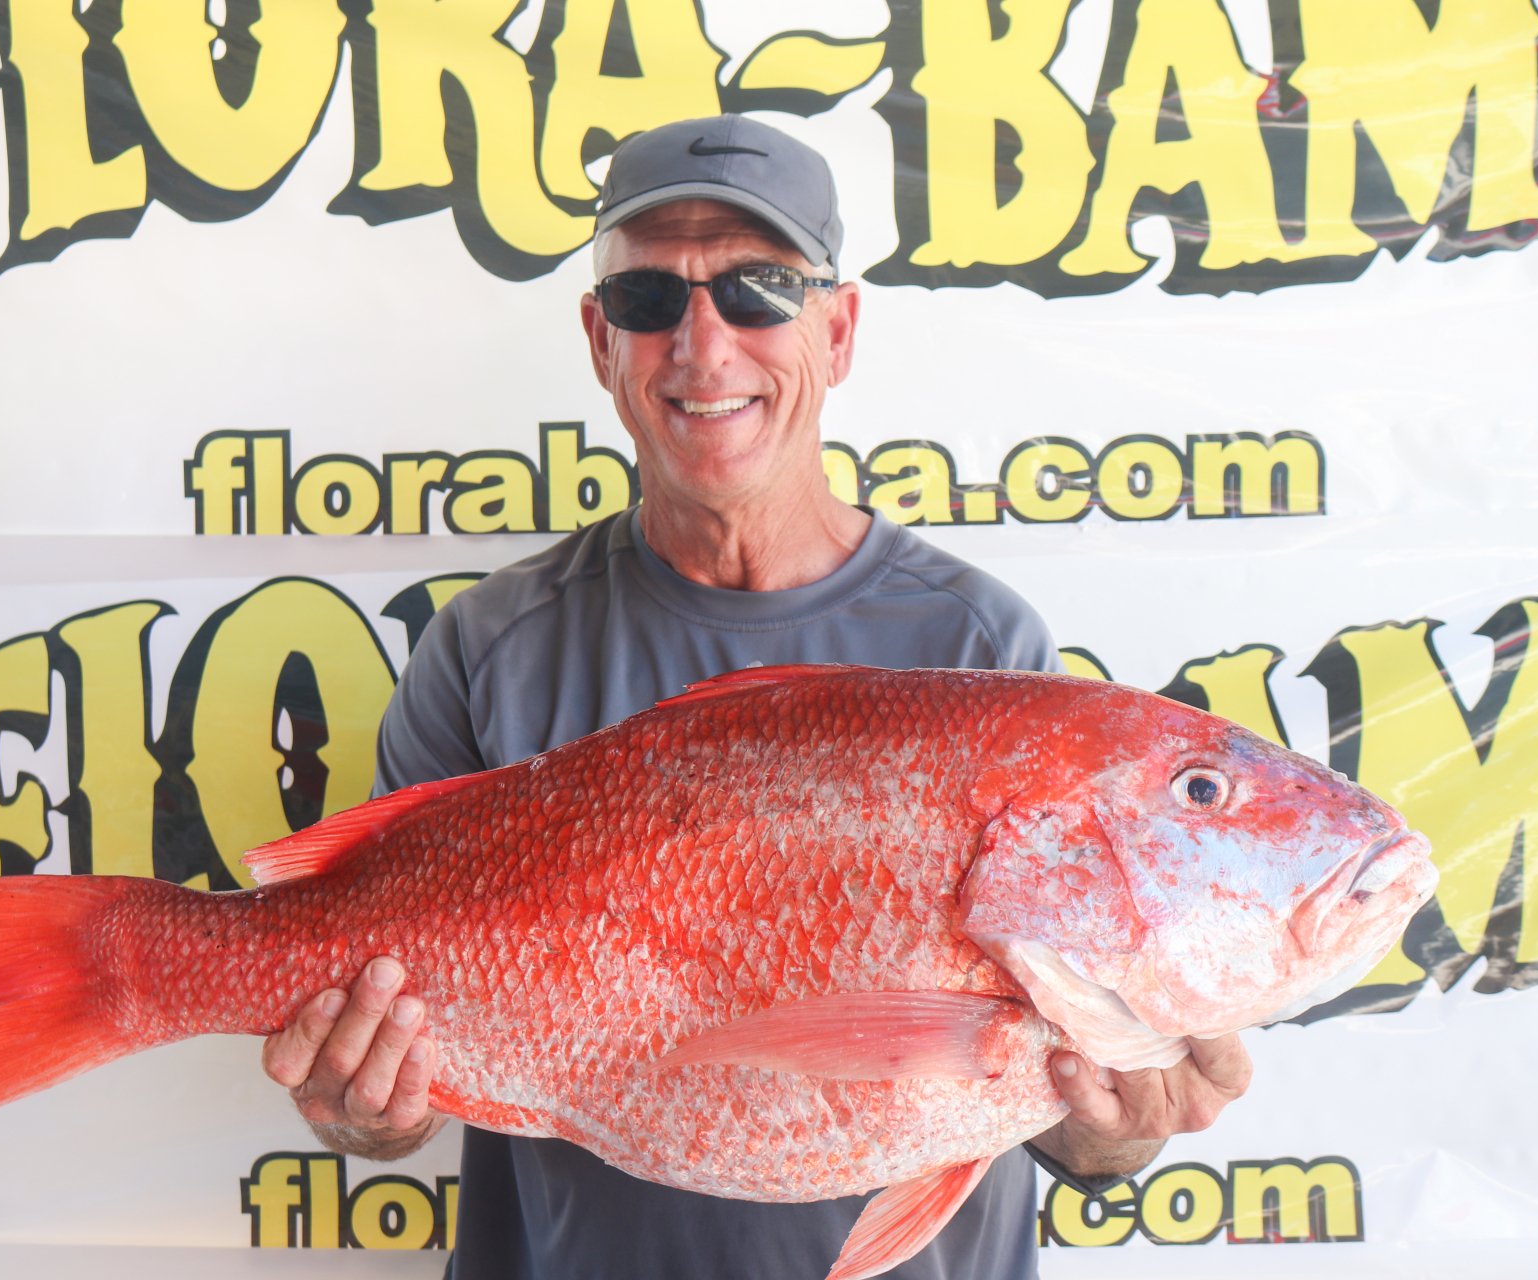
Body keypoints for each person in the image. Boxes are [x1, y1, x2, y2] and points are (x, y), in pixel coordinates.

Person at [261, 114, 1251, 1277]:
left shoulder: (980, 649)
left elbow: (1056, 1116)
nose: (703, 346)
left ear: (837, 329)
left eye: (758, 290)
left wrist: (1109, 1125)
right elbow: (381, 1078)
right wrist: (362, 1111)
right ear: (599, 339)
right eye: (648, 300)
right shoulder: (488, 646)